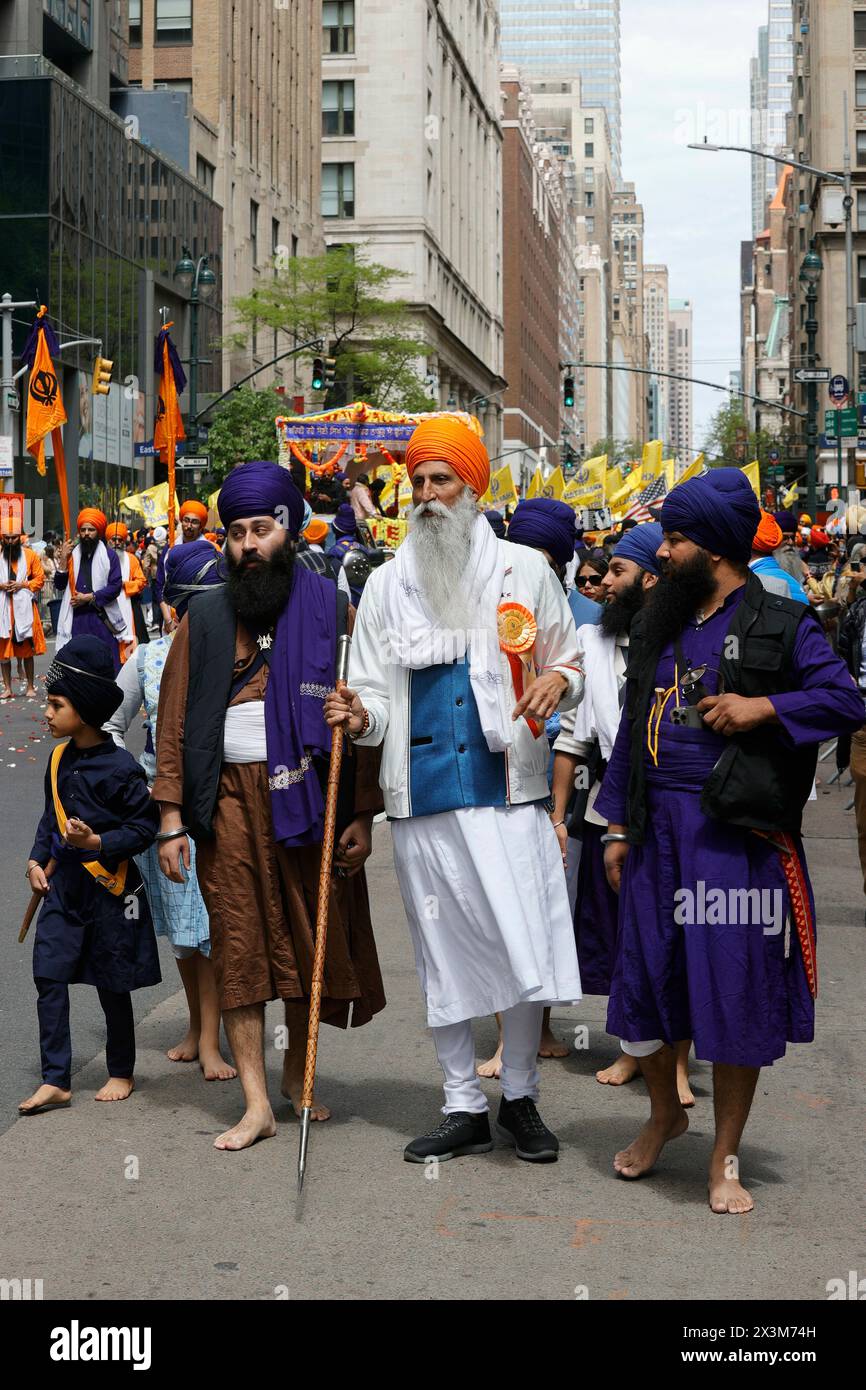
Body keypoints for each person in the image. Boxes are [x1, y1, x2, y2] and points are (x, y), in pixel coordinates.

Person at [596, 468, 864, 1213]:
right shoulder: (658, 619)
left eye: (674, 540)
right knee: (644, 987)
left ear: (711, 547)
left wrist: (763, 708)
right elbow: (627, 733)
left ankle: (724, 1157)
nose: (662, 554)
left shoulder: (782, 621)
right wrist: (616, 825)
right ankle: (665, 1115)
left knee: (732, 996)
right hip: (655, 835)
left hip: (734, 843)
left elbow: (845, 698)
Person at [325, 418, 584, 1165]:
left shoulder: (526, 569)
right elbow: (371, 694)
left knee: (521, 942)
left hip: (510, 792)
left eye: (443, 481)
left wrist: (555, 680)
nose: (430, 495)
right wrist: (359, 713)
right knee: (443, 952)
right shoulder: (385, 583)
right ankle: (463, 1103)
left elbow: (570, 661)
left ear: (474, 487)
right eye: (419, 483)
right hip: (425, 800)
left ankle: (523, 1098)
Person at [153, 461, 386, 1151]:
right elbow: (172, 726)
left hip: (310, 801)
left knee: (309, 940)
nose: (247, 544)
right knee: (240, 946)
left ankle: (296, 1075)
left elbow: (360, 713)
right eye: (236, 533)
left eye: (260, 529)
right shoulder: (205, 615)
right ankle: (254, 1104)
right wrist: (170, 822)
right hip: (225, 804)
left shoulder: (332, 612)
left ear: (287, 529)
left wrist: (362, 815)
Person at [549, 522, 701, 1100]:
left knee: (678, 934)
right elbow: (573, 737)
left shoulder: (683, 640)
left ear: (651, 579)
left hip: (671, 797)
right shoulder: (593, 643)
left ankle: (680, 1063)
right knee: (622, 934)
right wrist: (559, 815)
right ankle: (633, 1054)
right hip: (611, 800)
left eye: (617, 571)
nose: (604, 583)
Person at [106, 538, 236, 1081]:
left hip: (227, 804)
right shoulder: (150, 658)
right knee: (185, 932)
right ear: (172, 607)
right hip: (169, 811)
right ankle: (195, 1026)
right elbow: (110, 723)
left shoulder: (244, 652)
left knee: (219, 928)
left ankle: (214, 1039)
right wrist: (130, 783)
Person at [19, 636, 161, 1115]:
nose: (47, 712)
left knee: (112, 981)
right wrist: (37, 862)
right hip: (64, 889)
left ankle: (121, 1070)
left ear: (83, 709)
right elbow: (48, 821)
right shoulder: (58, 760)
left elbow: (144, 827)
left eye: (56, 704)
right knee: (48, 974)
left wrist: (98, 842)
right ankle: (55, 1079)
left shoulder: (122, 768)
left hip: (111, 891)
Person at [475, 495, 586, 1075]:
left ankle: (539, 1026)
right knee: (499, 916)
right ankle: (505, 1039)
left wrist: (562, 810)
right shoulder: (489, 598)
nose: (529, 564)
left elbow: (584, 703)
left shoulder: (586, 618)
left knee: (547, 914)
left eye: (544, 555)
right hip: (505, 781)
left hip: (568, 784)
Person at [54, 510, 125, 672]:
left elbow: (115, 587)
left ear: (98, 532)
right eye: (83, 530)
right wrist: (64, 559)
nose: (86, 534)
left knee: (106, 665)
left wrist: (89, 597)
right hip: (76, 620)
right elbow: (59, 585)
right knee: (78, 667)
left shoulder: (109, 556)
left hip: (101, 618)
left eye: (91, 530)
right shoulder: (71, 555)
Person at [1, 508, 46, 699]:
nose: (10, 541)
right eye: (7, 538)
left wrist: (22, 585)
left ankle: (29, 686)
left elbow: (40, 579)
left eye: (14, 537)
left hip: (25, 608)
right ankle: (8, 688)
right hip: (3, 609)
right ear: (2, 538)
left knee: (27, 651)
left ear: (20, 537)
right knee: (3, 653)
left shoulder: (30, 555)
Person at [154, 500, 209, 633]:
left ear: (201, 526)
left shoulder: (210, 550)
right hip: (171, 618)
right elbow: (160, 585)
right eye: (186, 520)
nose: (189, 526)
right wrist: (168, 620)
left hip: (201, 616)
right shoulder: (170, 548)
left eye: (194, 522)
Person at [106, 521, 150, 654]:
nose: (117, 543)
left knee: (136, 652)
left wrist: (125, 585)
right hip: (107, 608)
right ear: (108, 540)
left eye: (120, 539)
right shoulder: (101, 558)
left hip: (130, 606)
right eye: (114, 539)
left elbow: (141, 581)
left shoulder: (131, 559)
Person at [749, 511, 809, 604]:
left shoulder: (800, 565)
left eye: (792, 538)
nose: (790, 543)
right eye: (785, 538)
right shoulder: (759, 574)